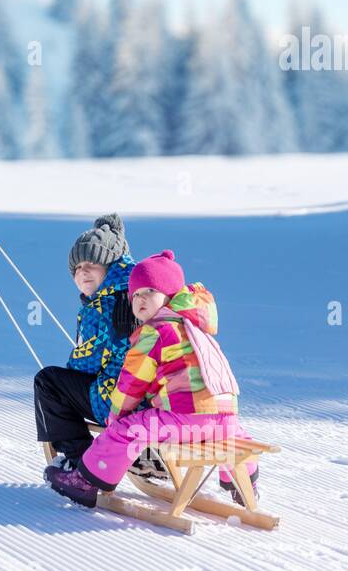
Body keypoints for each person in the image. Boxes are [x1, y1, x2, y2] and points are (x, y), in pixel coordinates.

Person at [44, 249, 260, 506]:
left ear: (169, 296)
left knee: (126, 430)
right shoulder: (194, 328)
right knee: (239, 437)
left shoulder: (156, 332)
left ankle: (86, 481)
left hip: (184, 419)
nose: (139, 299)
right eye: (135, 294)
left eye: (149, 291)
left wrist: (116, 416)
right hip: (224, 419)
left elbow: (131, 383)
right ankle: (245, 483)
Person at [32, 214, 137, 466]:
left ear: (111, 266)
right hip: (149, 400)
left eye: (92, 263)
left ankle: (80, 460)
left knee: (48, 383)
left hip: (116, 400)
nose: (83, 271)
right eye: (77, 267)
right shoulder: (140, 294)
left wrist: (71, 371)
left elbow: (87, 362)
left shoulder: (102, 305)